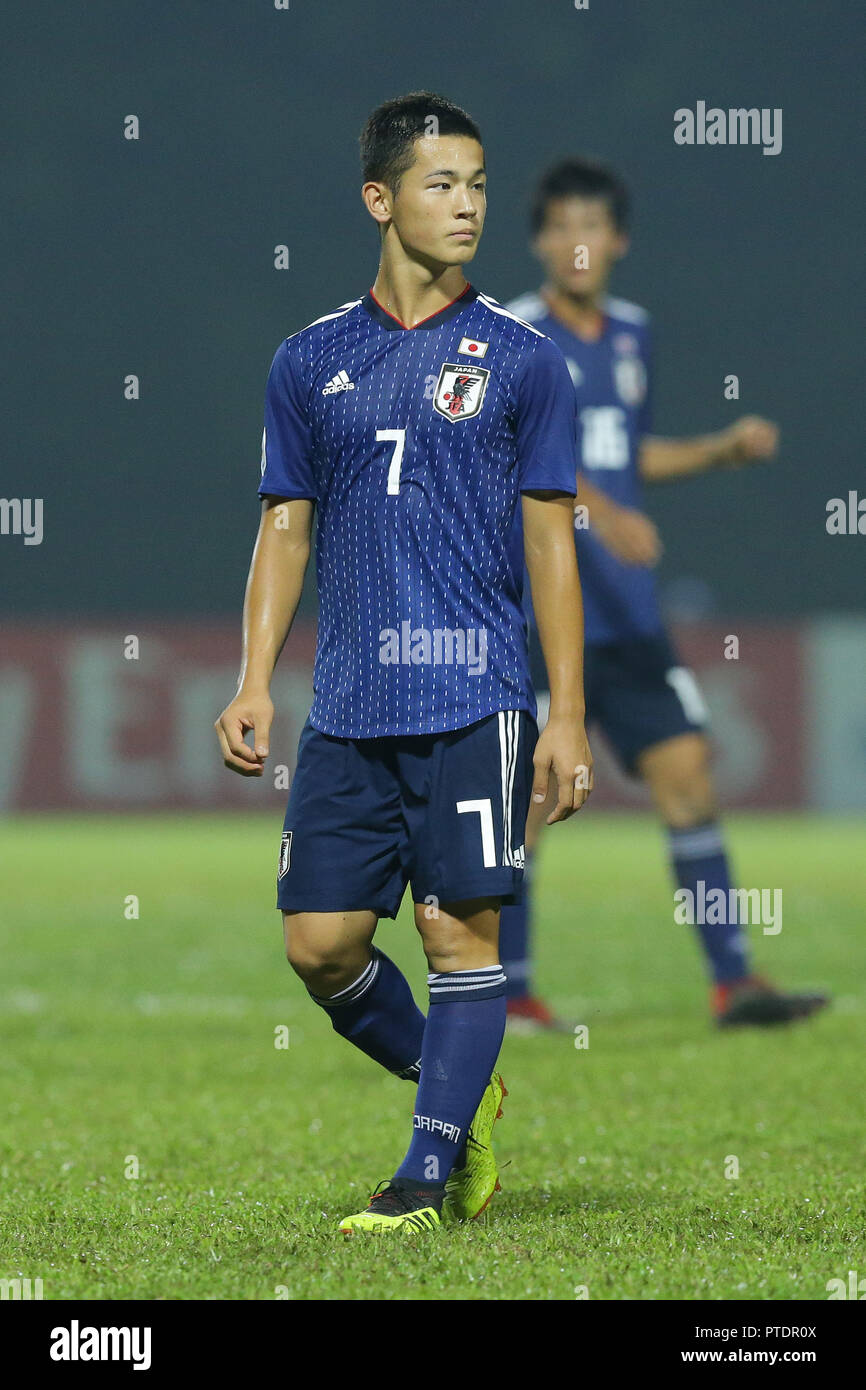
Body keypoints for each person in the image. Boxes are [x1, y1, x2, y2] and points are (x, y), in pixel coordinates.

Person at [215, 97, 593, 1234]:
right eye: (440, 184)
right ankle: (460, 1090)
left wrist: (564, 713)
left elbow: (548, 544)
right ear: (379, 200)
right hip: (349, 704)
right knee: (319, 946)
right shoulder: (309, 357)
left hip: (473, 694)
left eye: (476, 183)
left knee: (452, 933)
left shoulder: (524, 364)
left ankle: (425, 1179)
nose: (466, 204)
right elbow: (285, 525)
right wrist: (250, 678)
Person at [500, 157, 828, 1032]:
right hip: (541, 613)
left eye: (592, 227)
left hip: (628, 618)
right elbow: (520, 455)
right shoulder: (514, 336)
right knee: (530, 800)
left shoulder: (633, 334)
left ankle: (736, 984)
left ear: (618, 240)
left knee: (688, 775)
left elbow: (625, 453)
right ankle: (514, 992)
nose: (577, 242)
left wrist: (718, 450)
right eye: (560, 226)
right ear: (538, 240)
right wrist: (600, 513)